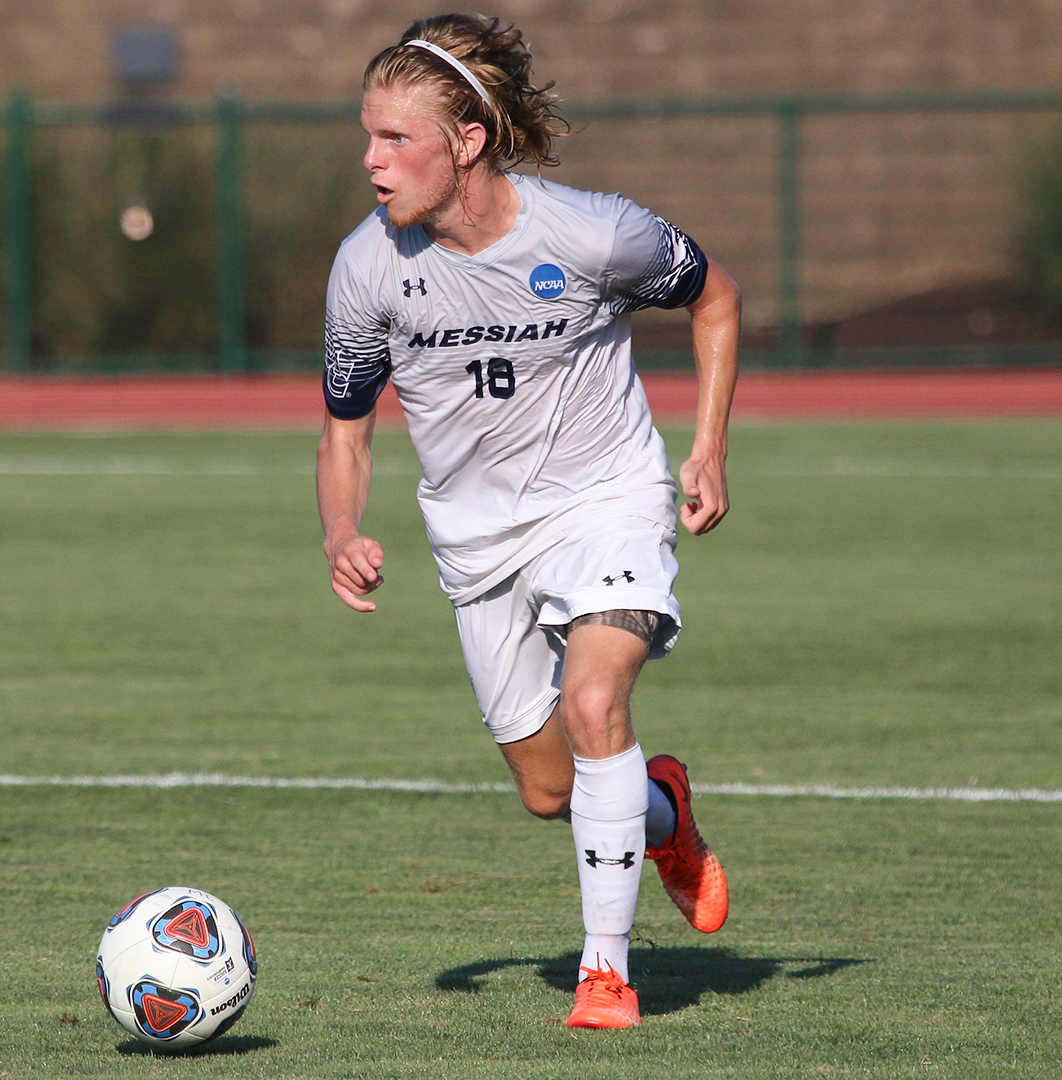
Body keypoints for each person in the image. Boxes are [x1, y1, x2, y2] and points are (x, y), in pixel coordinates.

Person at [316, 14, 741, 1029]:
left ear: (466, 142)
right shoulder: (367, 268)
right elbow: (345, 432)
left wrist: (709, 446)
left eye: (395, 140)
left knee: (597, 706)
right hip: (475, 541)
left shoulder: (593, 231)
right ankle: (662, 812)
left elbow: (715, 298)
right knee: (552, 791)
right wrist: (342, 531)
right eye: (367, 137)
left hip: (607, 500)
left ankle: (606, 974)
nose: (372, 162)